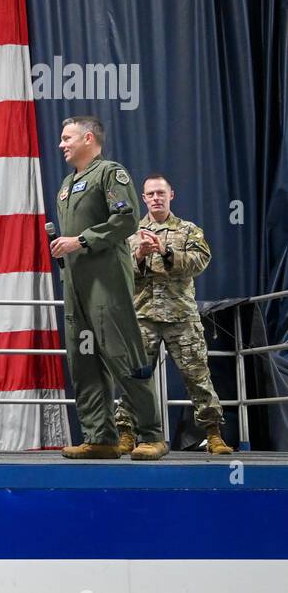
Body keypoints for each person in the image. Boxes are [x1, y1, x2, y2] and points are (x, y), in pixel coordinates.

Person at [50, 116, 166, 460]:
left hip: (106, 284)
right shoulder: (66, 185)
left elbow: (126, 219)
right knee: (83, 363)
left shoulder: (110, 173)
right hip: (75, 287)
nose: (61, 144)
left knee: (123, 357)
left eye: (67, 137)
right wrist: (66, 250)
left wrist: (81, 241)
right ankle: (100, 437)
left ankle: (152, 435)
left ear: (88, 138)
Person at [113, 174, 232, 455]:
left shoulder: (188, 230)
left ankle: (214, 434)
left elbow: (200, 262)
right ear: (143, 198)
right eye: (151, 194)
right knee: (134, 380)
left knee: (197, 376)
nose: (156, 198)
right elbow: (119, 274)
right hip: (143, 317)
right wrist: (139, 255)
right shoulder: (130, 233)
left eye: (160, 193)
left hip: (181, 316)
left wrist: (166, 251)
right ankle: (126, 434)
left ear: (171, 195)